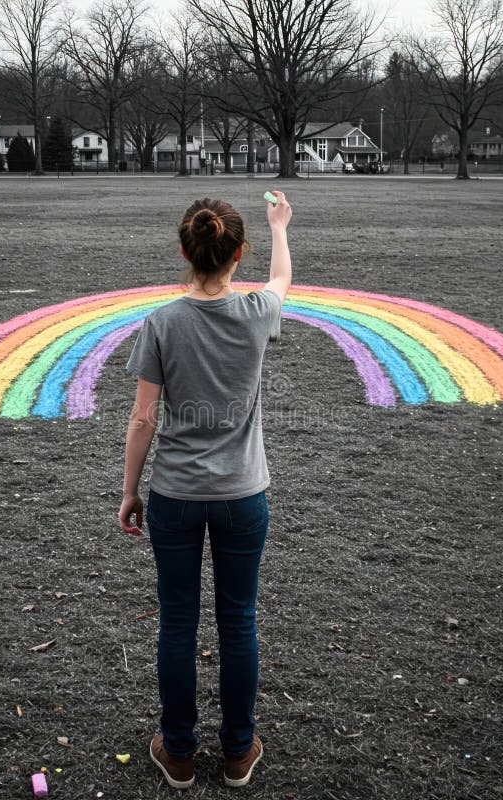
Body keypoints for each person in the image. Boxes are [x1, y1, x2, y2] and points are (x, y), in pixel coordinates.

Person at [118, 192, 293, 789]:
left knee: (177, 623)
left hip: (175, 496)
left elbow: (143, 419)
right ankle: (239, 752)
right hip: (244, 496)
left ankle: (181, 754)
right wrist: (280, 226)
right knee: (238, 622)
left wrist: (129, 491)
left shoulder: (162, 321)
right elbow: (282, 278)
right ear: (237, 253)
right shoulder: (257, 312)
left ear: (184, 251)